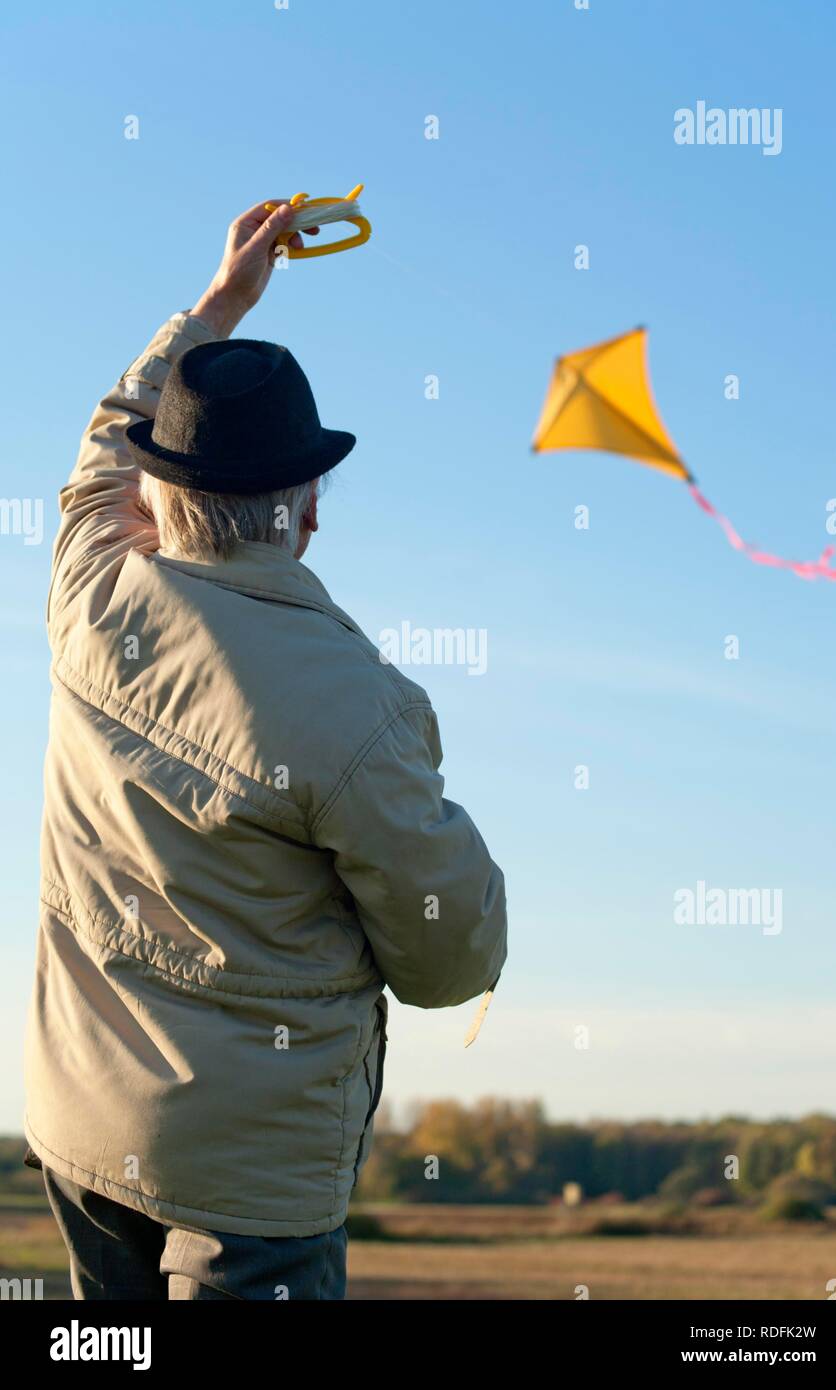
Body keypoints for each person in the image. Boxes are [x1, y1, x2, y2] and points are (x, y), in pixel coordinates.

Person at [24, 199, 507, 1300]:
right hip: (248, 1187)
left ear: (160, 489)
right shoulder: (358, 708)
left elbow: (113, 427)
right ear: (306, 510)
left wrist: (218, 304)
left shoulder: (90, 586)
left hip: (80, 1125)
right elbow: (448, 962)